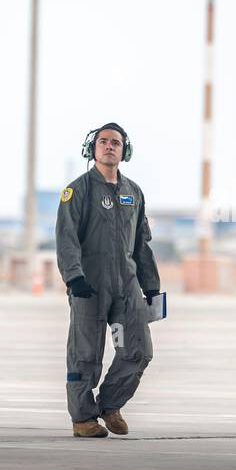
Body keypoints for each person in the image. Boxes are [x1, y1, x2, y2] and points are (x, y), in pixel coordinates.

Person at [55, 122, 161, 438]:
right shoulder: (77, 191)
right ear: (93, 148)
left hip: (126, 289)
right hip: (89, 286)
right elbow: (66, 238)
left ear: (124, 151)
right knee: (86, 354)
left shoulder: (133, 193)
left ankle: (110, 405)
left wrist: (151, 286)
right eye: (103, 141)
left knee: (137, 350)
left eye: (116, 142)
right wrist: (74, 277)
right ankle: (83, 418)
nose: (109, 146)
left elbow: (141, 244)